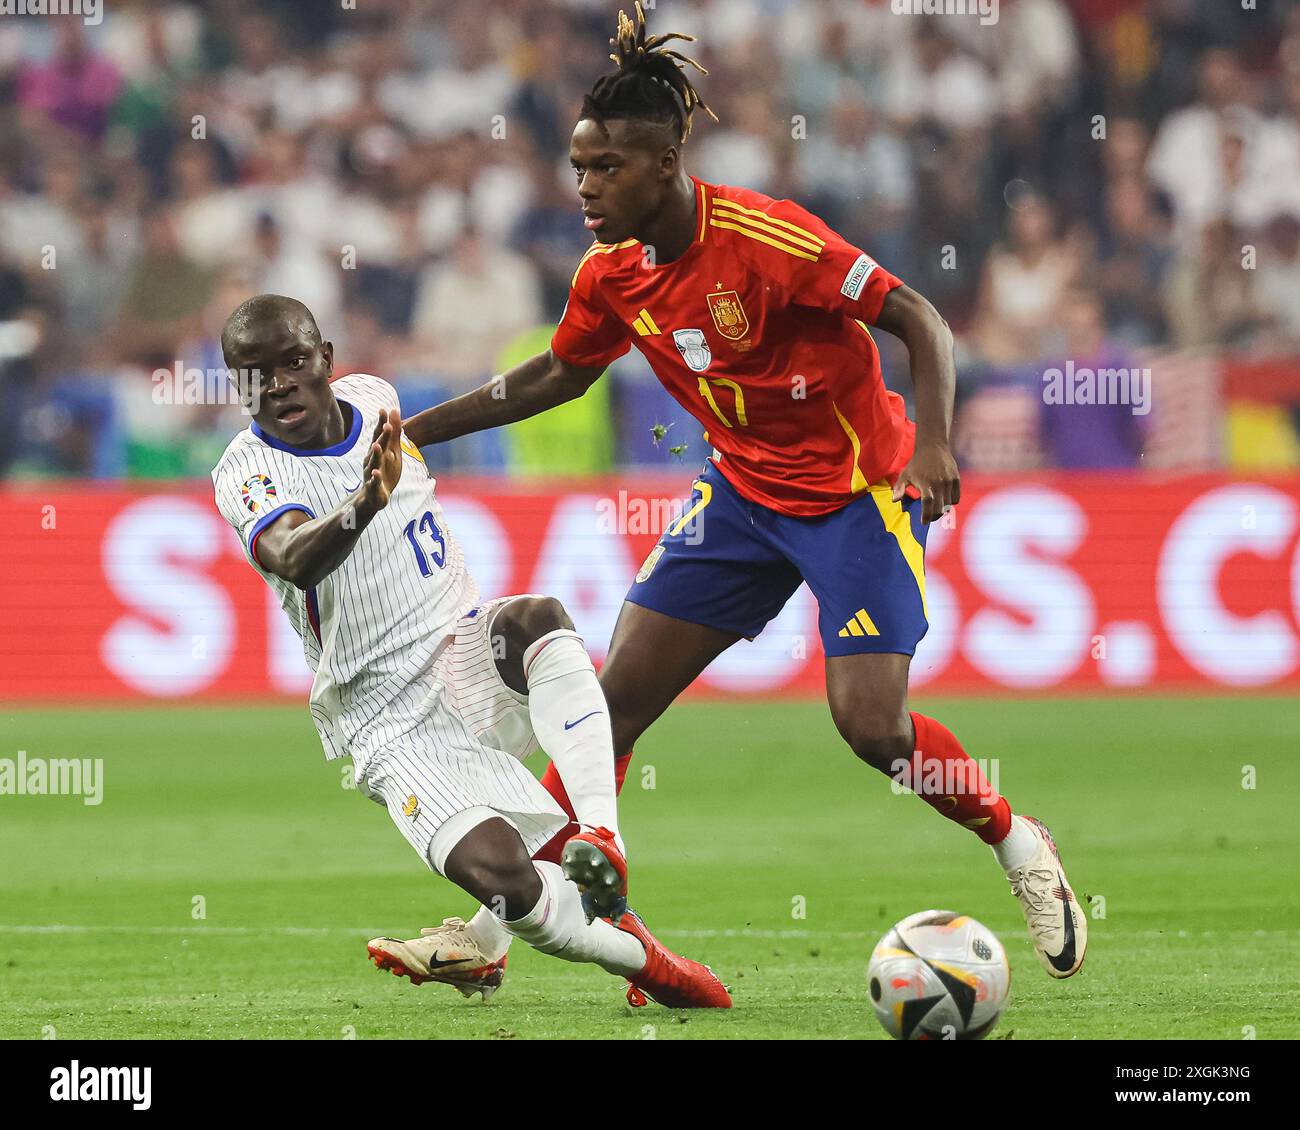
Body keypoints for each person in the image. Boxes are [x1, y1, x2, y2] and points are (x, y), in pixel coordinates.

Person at [401, 4, 1088, 983]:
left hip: (857, 491)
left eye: (606, 170)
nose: (586, 189)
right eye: (579, 169)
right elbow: (556, 374)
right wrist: (415, 431)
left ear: (665, 163)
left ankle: (1018, 839)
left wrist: (933, 439)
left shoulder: (769, 239)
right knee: (607, 706)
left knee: (873, 729)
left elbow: (919, 317)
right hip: (739, 496)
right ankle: (498, 927)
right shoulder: (611, 275)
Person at [210, 293, 731, 1010]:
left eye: (293, 361)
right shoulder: (246, 471)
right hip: (386, 721)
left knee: (538, 618)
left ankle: (601, 836)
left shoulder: (375, 399)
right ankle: (642, 960)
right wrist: (364, 501)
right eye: (251, 373)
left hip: (463, 652)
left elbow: (454, 418)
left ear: (327, 360)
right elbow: (293, 555)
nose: (276, 383)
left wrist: (419, 436)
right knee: (510, 879)